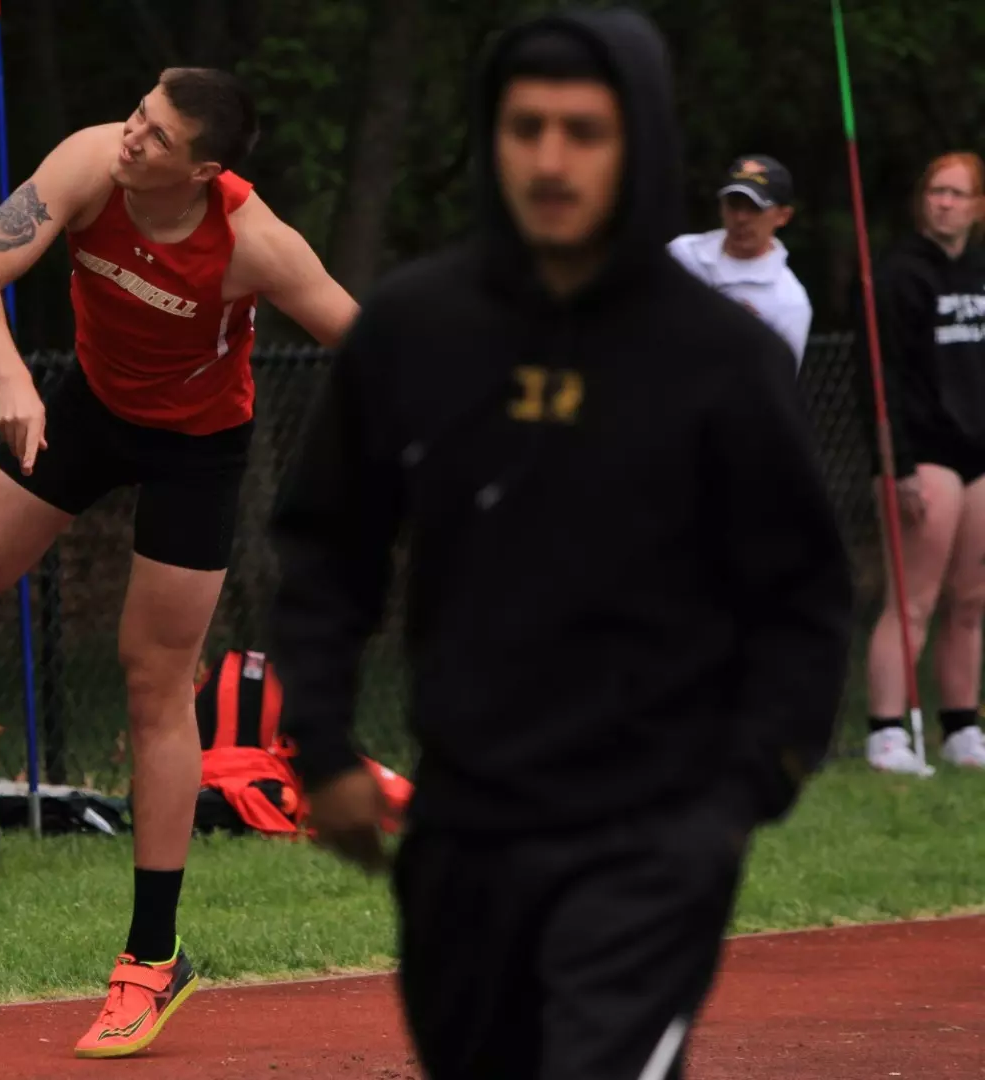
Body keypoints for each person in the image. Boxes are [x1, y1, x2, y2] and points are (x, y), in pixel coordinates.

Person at [265, 11, 854, 1080]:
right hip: (465, 828)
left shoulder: (719, 355)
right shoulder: (415, 327)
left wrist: (744, 789)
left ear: (639, 143)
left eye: (583, 130)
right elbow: (325, 549)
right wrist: (320, 741)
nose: (550, 158)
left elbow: (802, 595)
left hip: (653, 831)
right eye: (525, 126)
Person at [0, 67, 360, 1058]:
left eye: (156, 137)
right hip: (85, 411)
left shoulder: (254, 242)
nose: (131, 138)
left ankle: (150, 961)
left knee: (153, 682)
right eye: (135, 116)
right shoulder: (89, 162)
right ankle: (110, 564)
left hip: (198, 451)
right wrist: (9, 382)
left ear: (204, 170)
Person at [858, 150, 985, 774]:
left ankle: (961, 727)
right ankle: (886, 732)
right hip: (924, 455)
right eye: (936, 191)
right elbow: (883, 377)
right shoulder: (899, 274)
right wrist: (898, 465)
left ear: (978, 206)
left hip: (980, 456)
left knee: (972, 599)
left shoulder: (981, 271)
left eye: (957, 194)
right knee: (913, 600)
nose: (945, 203)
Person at [667, 154, 813, 367]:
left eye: (755, 208)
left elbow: (775, 386)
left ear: (783, 216)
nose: (741, 218)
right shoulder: (681, 253)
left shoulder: (789, 302)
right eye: (734, 205)